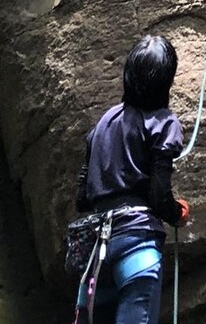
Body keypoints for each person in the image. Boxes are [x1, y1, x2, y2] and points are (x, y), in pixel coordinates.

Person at [74, 35, 190, 324]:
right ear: (166, 81)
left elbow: (82, 199)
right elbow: (159, 196)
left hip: (95, 257)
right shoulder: (164, 123)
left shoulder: (103, 124)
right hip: (137, 248)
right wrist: (177, 212)